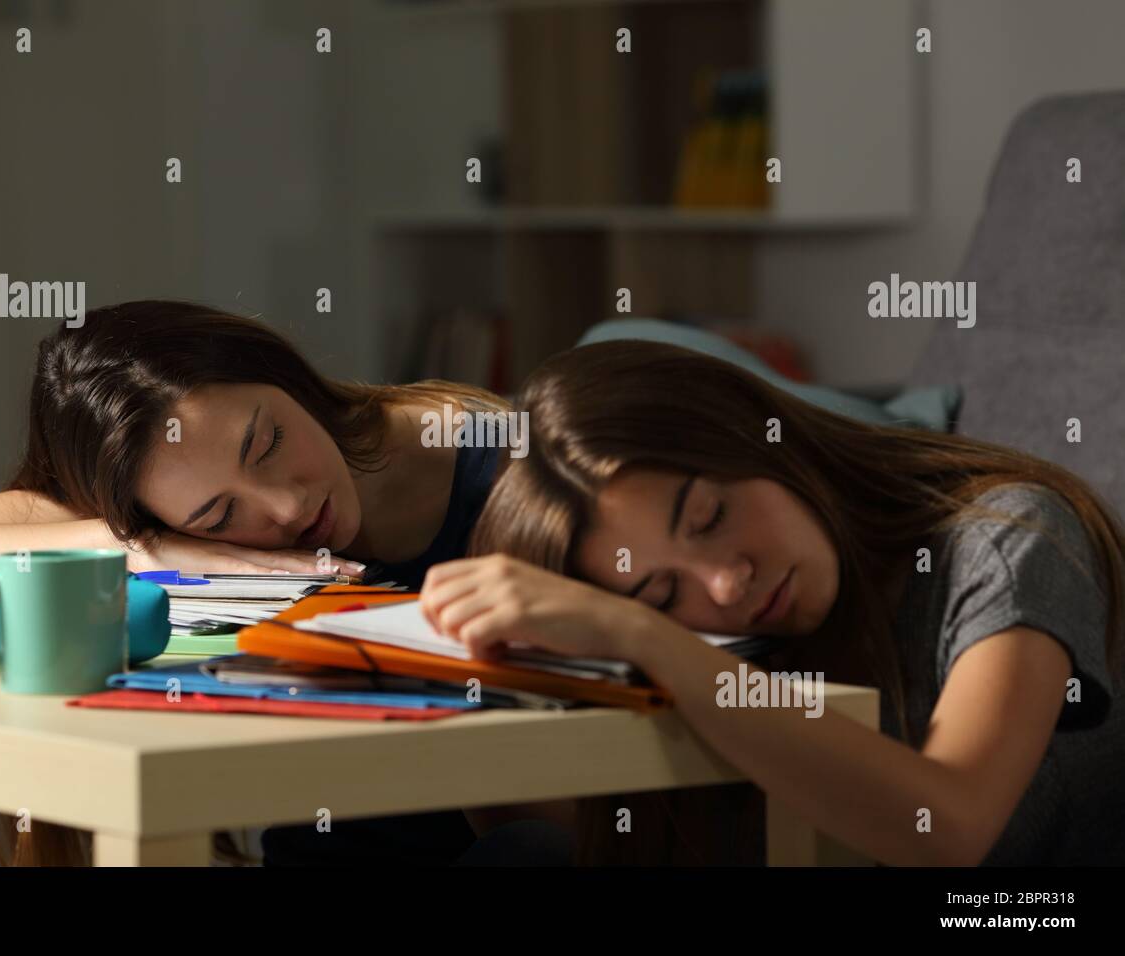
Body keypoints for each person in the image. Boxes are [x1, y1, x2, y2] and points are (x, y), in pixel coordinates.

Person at [419, 340, 1125, 865]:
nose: (725, 585)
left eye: (709, 518)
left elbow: (946, 826)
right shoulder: (718, 652)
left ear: (752, 432)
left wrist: (644, 631)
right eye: (663, 591)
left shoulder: (1006, 540)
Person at [0, 299, 508, 865]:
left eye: (267, 443)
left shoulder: (486, 456)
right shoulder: (149, 510)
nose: (286, 506)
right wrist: (137, 546)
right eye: (221, 516)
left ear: (281, 376)